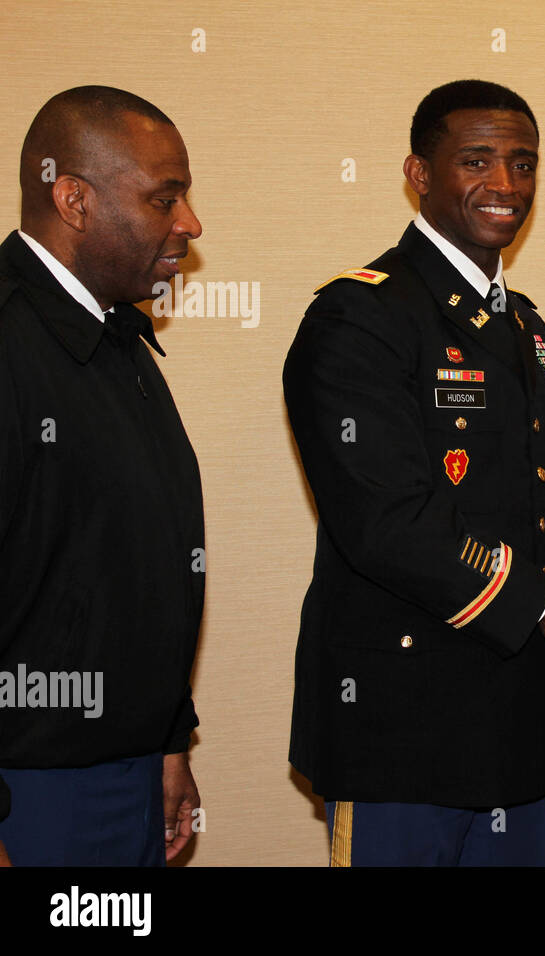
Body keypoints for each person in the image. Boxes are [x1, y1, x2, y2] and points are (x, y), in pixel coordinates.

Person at [283, 79, 545, 867]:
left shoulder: (520, 319)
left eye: (523, 163)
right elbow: (388, 523)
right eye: (477, 161)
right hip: (401, 733)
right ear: (418, 173)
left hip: (520, 723)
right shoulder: (358, 316)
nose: (505, 185)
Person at [0, 86, 205, 866]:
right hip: (31, 790)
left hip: (125, 778)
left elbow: (130, 566)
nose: (189, 222)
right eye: (166, 197)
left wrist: (166, 740)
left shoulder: (117, 335)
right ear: (73, 199)